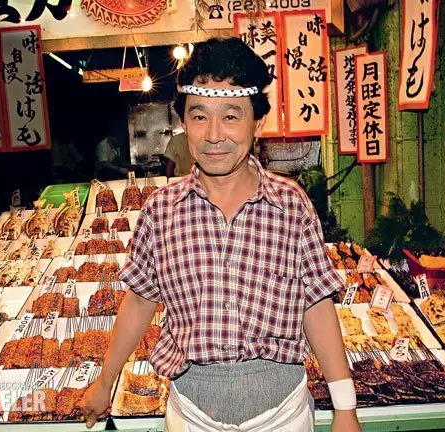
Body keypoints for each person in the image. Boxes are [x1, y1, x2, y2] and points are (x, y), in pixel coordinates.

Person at [82, 37, 361, 431]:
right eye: (199, 116)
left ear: (257, 123)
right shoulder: (161, 211)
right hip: (191, 417)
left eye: (231, 116)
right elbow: (140, 301)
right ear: (183, 124)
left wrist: (345, 408)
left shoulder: (291, 205)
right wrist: (105, 381)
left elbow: (316, 305)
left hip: (283, 416)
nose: (214, 134)